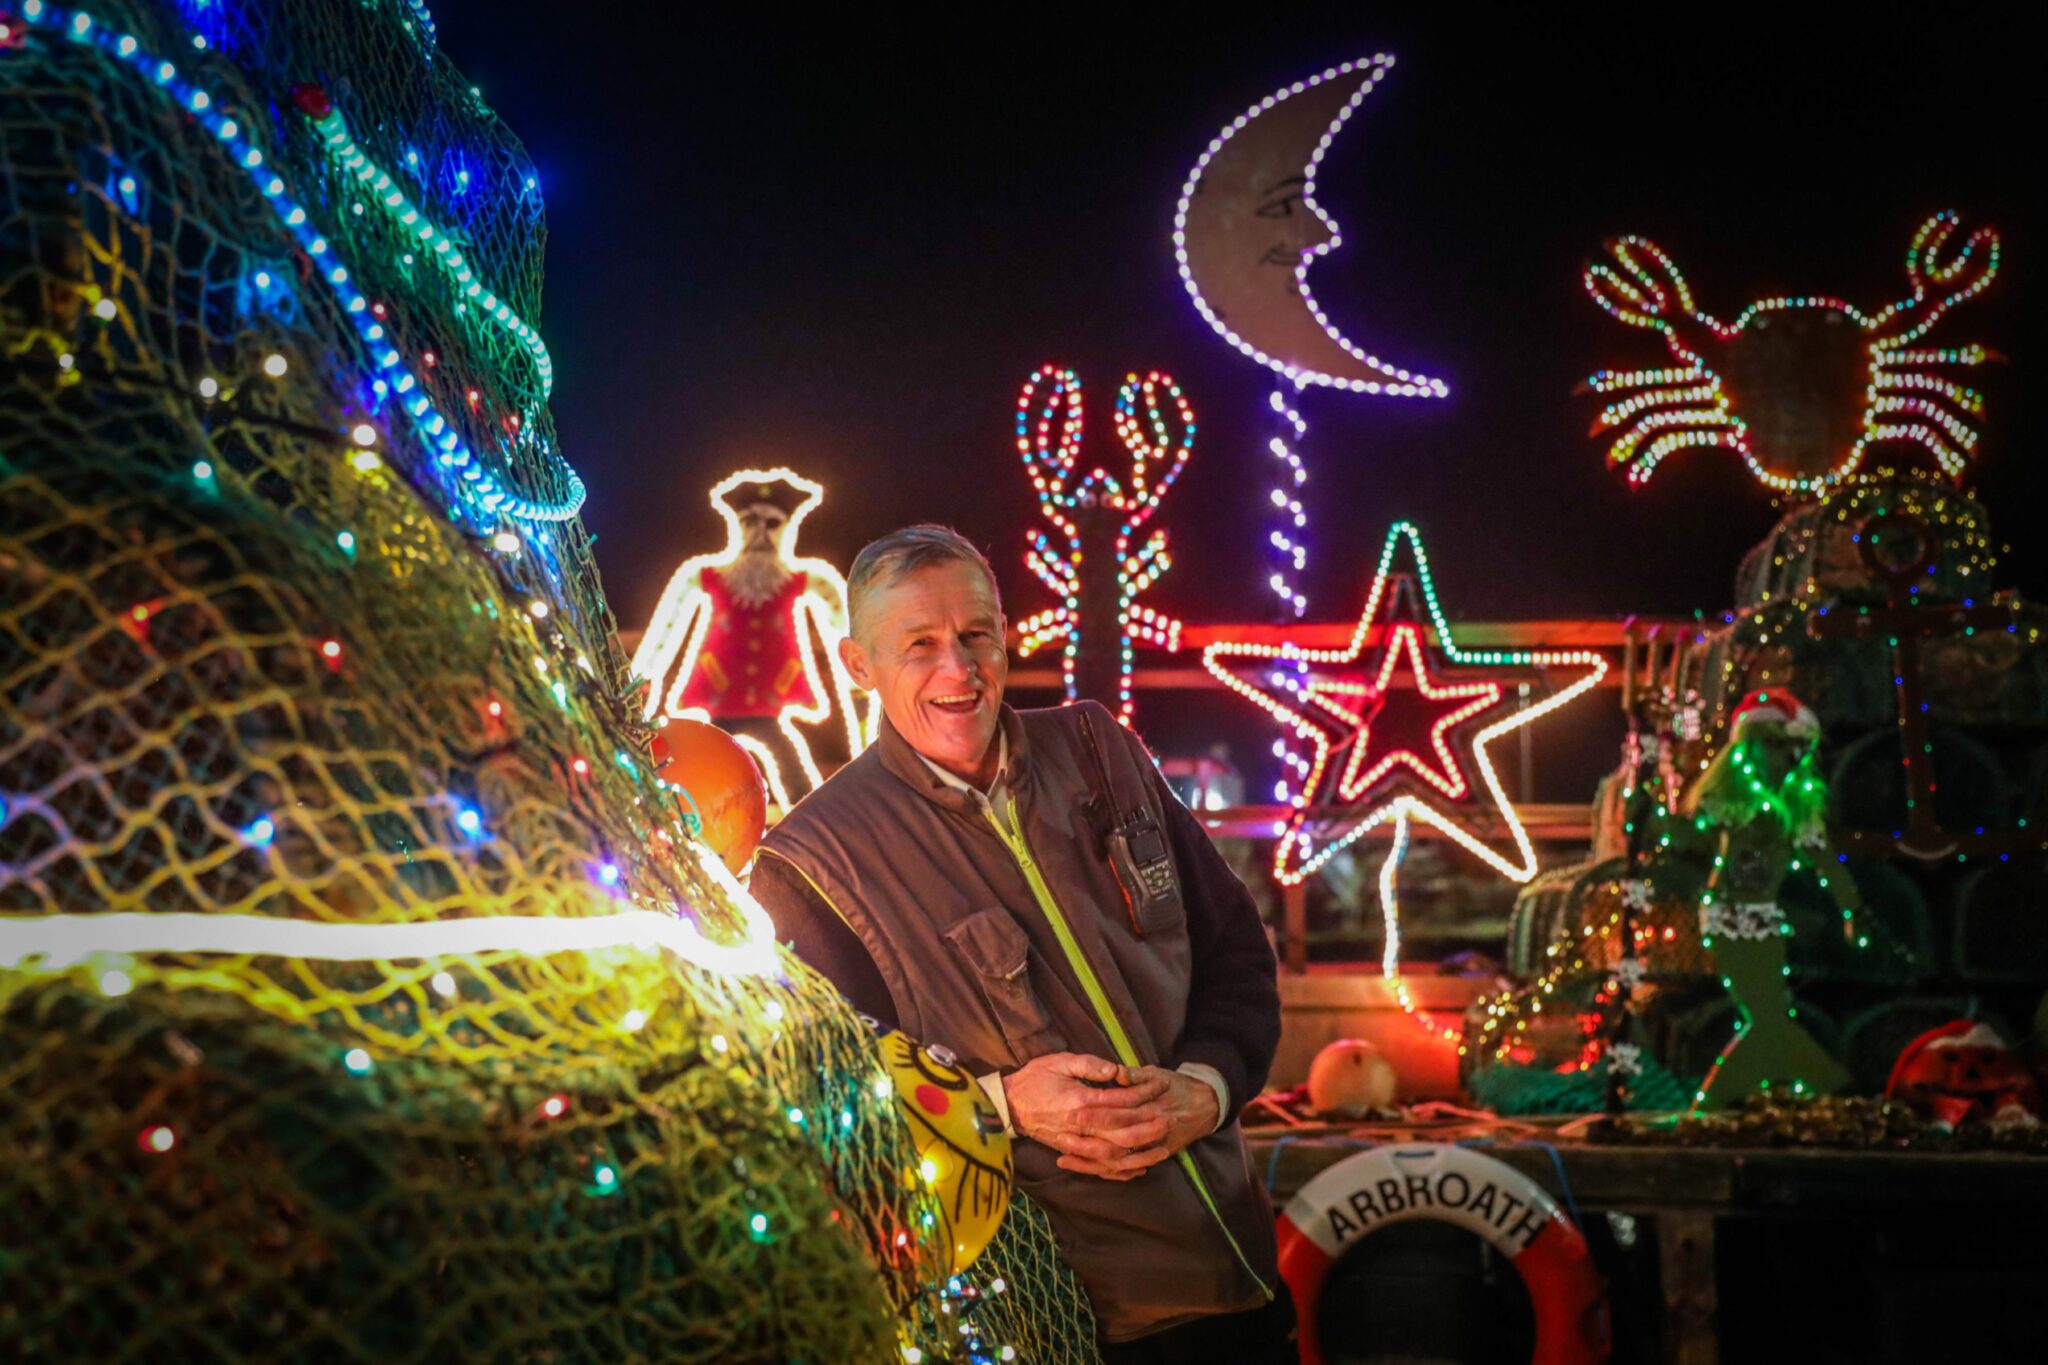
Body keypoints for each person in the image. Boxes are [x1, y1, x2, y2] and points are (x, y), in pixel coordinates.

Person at [749, 525, 1293, 1361]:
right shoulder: (814, 860)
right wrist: (1002, 1105)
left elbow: (1236, 953)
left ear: (1005, 631)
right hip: (1057, 1321)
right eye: (920, 644)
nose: (958, 671)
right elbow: (826, 1104)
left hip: (1240, 1275)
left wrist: (1208, 1086)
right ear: (859, 665)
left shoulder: (1098, 747)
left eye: (976, 635)